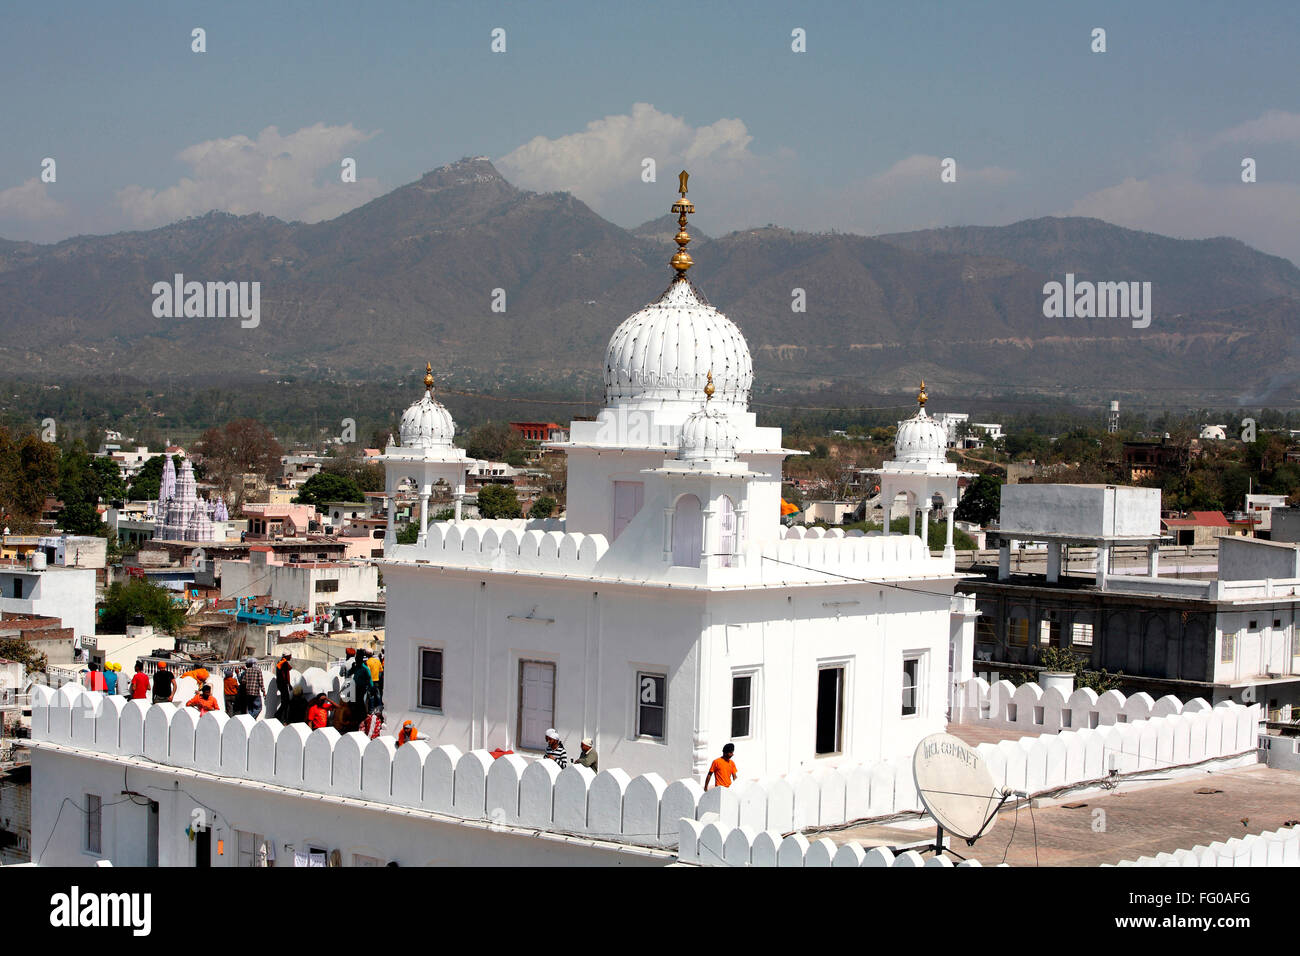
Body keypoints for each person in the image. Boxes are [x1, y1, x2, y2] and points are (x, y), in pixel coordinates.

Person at [353, 649, 374, 714]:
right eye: (356, 658)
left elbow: (369, 679)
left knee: (361, 703)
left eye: (357, 658)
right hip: (355, 688)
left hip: (362, 688)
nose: (356, 659)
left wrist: (371, 688)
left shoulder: (365, 669)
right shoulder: (355, 667)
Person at [274, 652, 293, 721]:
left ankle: (280, 716)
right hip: (283, 684)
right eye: (290, 656)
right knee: (286, 702)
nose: (291, 657)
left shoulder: (280, 662)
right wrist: (288, 684)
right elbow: (285, 675)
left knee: (284, 701)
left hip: (280, 684)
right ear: (287, 656)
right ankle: (279, 716)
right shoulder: (284, 663)